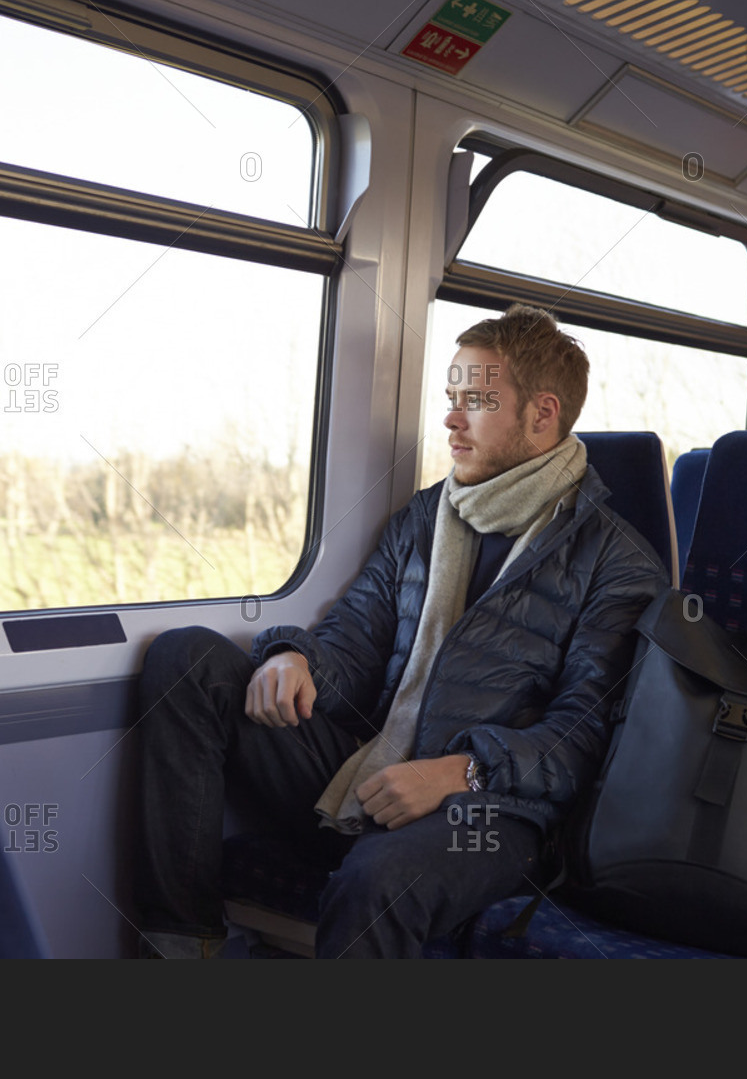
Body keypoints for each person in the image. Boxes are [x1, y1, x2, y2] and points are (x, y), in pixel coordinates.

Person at [133, 302, 667, 957]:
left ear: (542, 414)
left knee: (375, 880)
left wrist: (461, 773)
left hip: (496, 811)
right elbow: (355, 638)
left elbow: (584, 738)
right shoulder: (426, 517)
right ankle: (181, 948)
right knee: (185, 659)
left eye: (476, 400)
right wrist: (293, 658)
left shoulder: (619, 564)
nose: (449, 418)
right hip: (375, 765)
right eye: (451, 397)